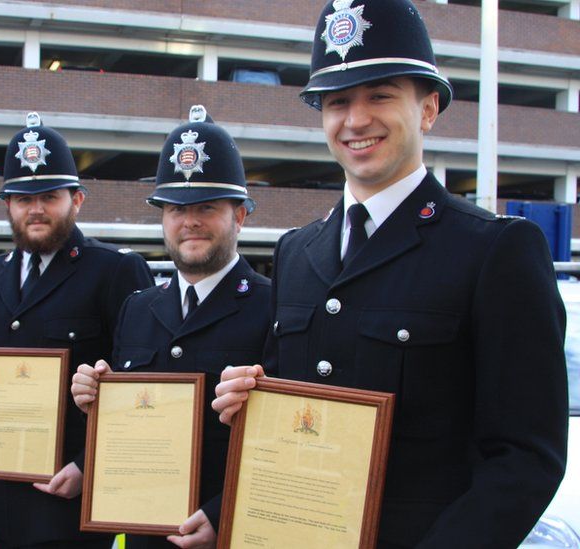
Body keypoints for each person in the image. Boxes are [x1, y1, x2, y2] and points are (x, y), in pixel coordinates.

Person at [212, 1, 568, 546]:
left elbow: (525, 458)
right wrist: (252, 400)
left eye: (380, 95)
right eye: (337, 102)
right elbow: (295, 405)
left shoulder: (495, 250)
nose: (355, 120)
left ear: (427, 109)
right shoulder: (297, 252)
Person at [71, 105, 272, 549]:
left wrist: (223, 513)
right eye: (176, 208)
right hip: (144, 532)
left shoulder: (273, 307)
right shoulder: (138, 308)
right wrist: (100, 401)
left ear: (239, 216)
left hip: (229, 534)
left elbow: (277, 444)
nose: (190, 221)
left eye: (206, 206)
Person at [0, 112, 153, 548]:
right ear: (7, 204)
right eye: (23, 198)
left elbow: (139, 391)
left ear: (77, 200)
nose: (36, 208)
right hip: (2, 494)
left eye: (49, 195)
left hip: (71, 494)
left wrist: (89, 466)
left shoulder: (115, 270)